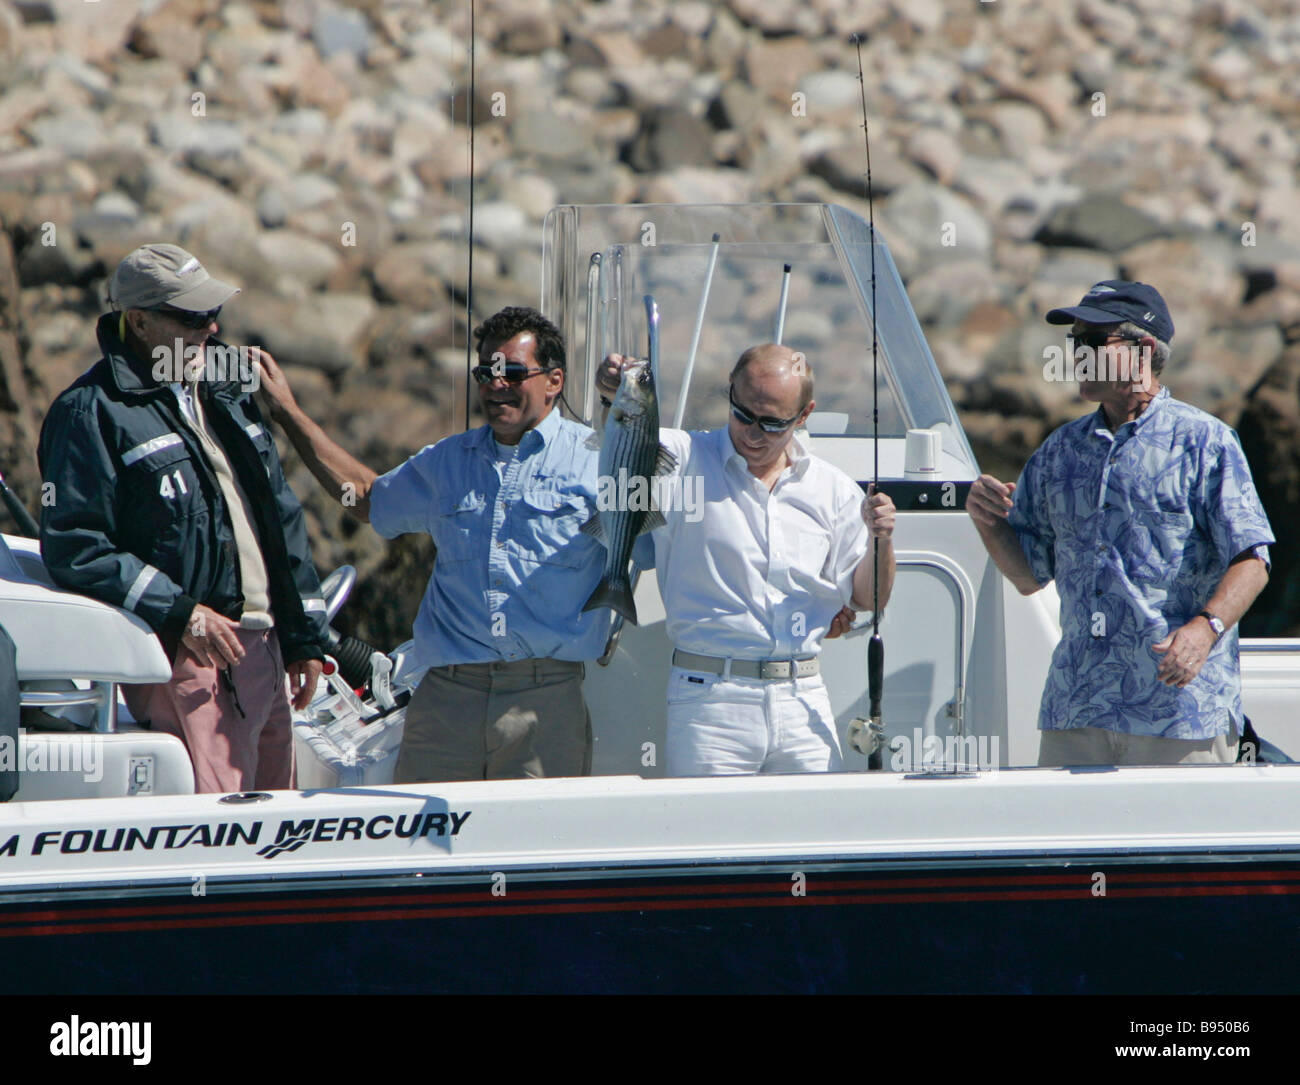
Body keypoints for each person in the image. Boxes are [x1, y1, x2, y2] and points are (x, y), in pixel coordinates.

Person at [257, 306, 611, 782]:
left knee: (536, 852)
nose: (495, 384)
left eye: (511, 372)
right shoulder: (448, 461)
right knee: (423, 852)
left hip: (545, 699)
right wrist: (287, 412)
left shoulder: (599, 461)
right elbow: (365, 499)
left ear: (554, 381)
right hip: (445, 697)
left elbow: (662, 532)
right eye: (485, 371)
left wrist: (626, 405)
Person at [38, 243, 327, 793]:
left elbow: (279, 513)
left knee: (277, 840)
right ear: (141, 322)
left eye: (213, 313)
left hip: (265, 654)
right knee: (222, 837)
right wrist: (183, 613)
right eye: (192, 317)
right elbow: (76, 547)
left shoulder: (226, 392)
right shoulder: (88, 412)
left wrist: (304, 634)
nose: (212, 328)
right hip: (190, 659)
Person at [965, 280, 1274, 766]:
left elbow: (1253, 560)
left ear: (1144, 349)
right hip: (1077, 708)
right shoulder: (1058, 451)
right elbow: (1029, 576)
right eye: (1074, 344)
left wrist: (1205, 628)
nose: (1076, 357)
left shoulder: (1205, 442)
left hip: (1177, 712)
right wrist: (987, 522)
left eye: (1091, 343)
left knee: (1180, 846)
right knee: (1064, 845)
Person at [596, 344, 896, 776]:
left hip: (804, 696)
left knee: (814, 837)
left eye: (773, 423)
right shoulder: (682, 459)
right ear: (731, 395)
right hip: (709, 700)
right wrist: (612, 395)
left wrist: (881, 538)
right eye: (742, 414)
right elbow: (625, 450)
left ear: (804, 415)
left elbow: (871, 598)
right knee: (709, 839)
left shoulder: (833, 489)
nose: (753, 433)